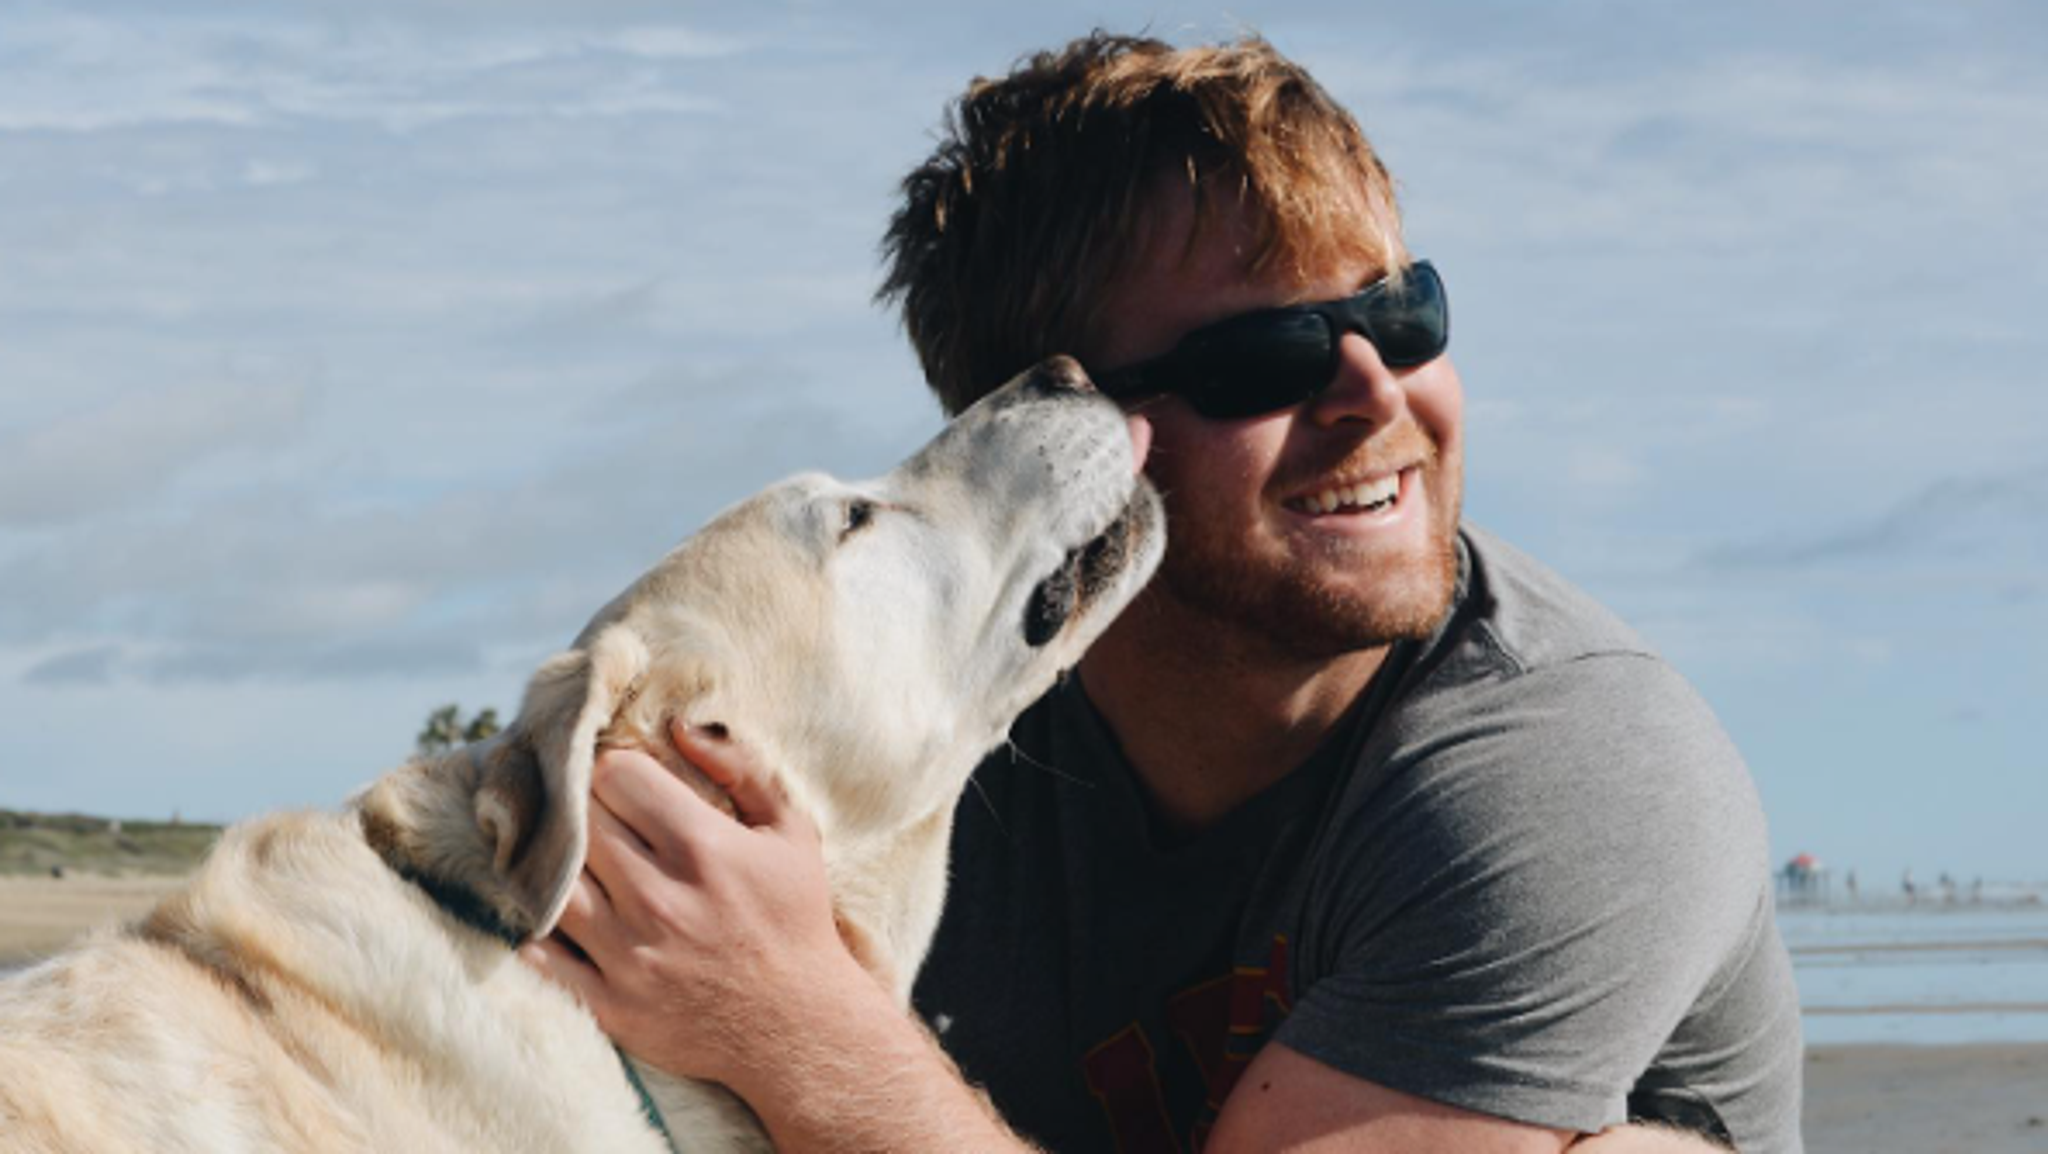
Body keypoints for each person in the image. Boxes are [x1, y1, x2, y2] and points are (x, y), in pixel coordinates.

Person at [525, 31, 1804, 1153]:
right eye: (1267, 356)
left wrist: (793, 1018)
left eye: (1404, 313)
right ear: (1055, 426)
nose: (1374, 390)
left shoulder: (1572, 770)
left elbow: (794, 1037)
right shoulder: (915, 717)